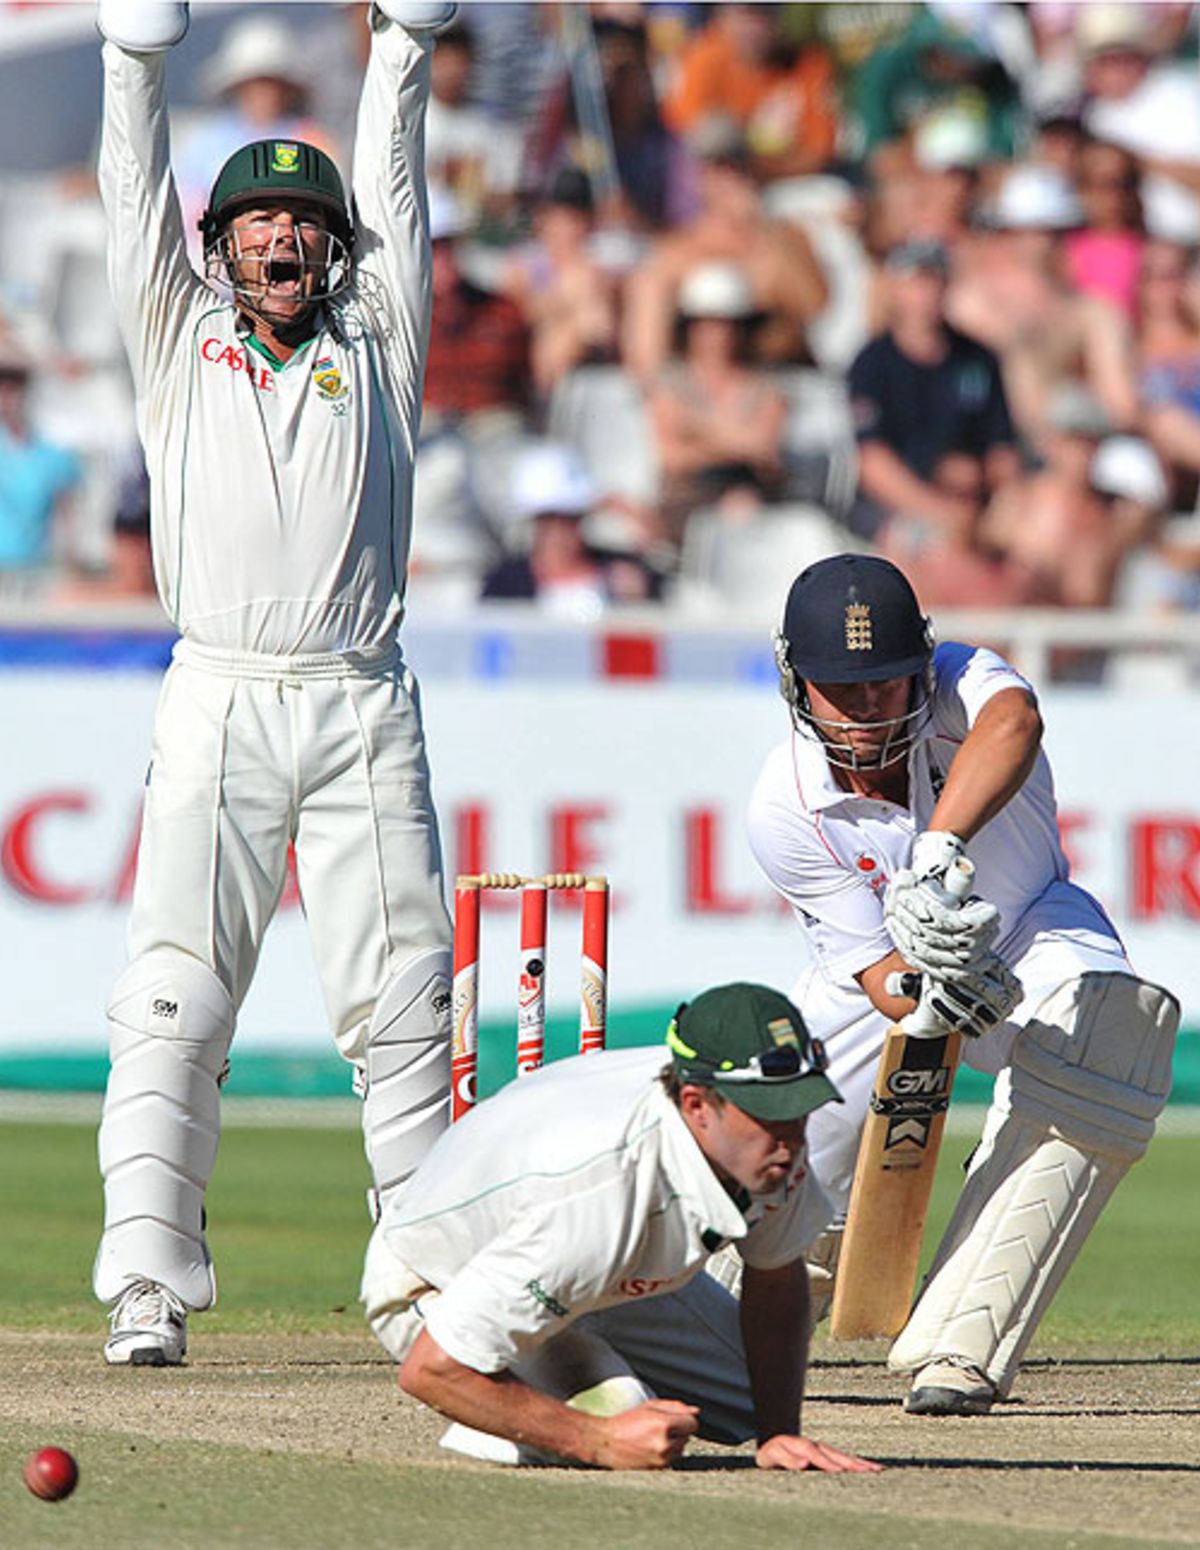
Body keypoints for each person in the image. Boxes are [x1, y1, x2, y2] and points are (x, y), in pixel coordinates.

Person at [91, 0, 462, 1367]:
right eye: (255, 222)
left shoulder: (385, 346)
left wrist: (403, 48)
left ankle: (427, 1288)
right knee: (176, 994)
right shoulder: (177, 341)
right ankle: (147, 1280)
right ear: (220, 247)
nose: (281, 238)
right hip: (221, 695)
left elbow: (403, 177)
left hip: (362, 694)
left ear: (338, 248)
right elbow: (132, 194)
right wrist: (136, 59)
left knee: (406, 998)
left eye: (305, 225)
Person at [746, 553, 1180, 1415]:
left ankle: (961, 1345)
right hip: (916, 977)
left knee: (1114, 1027)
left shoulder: (968, 681)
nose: (869, 709)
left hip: (1030, 927)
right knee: (779, 1098)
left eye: (887, 683)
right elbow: (872, 972)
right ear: (797, 681)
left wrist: (938, 850)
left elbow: (1016, 722)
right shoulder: (783, 808)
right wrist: (932, 994)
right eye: (844, 689)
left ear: (924, 663)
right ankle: (768, 1290)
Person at [362, 980, 880, 1474]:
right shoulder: (599, 1186)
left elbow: (775, 1271)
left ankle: (567, 1391)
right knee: (620, 1410)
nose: (791, 1139)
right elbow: (432, 1368)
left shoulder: (769, 1151)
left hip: (597, 1267)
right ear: (698, 1105)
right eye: (770, 1114)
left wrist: (777, 1432)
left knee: (752, 1395)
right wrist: (598, 1439)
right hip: (436, 1272)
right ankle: (489, 1424)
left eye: (800, 1110)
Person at [846, 239, 1020, 543]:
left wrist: (996, 500)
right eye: (916, 282)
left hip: (972, 499)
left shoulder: (978, 359)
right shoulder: (871, 365)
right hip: (901, 503)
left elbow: (1001, 450)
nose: (926, 294)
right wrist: (939, 511)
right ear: (895, 289)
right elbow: (873, 462)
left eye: (934, 281)